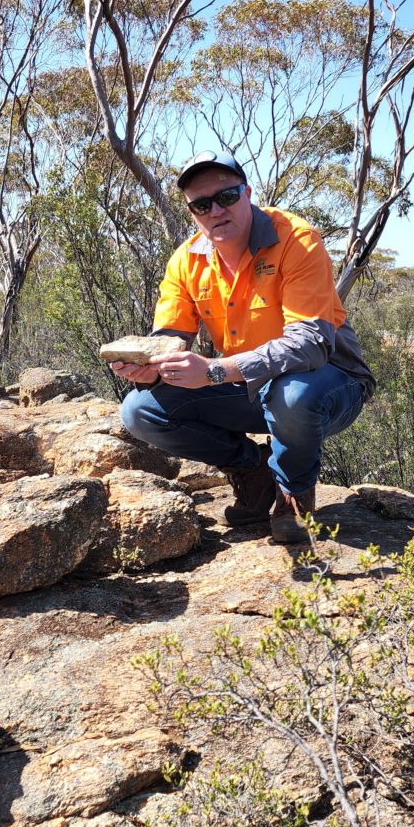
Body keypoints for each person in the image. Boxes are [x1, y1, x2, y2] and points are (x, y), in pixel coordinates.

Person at [111, 150, 376, 544]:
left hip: (327, 384)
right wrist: (150, 365)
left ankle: (294, 494)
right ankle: (255, 471)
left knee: (291, 393)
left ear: (248, 193)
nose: (216, 210)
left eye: (228, 196)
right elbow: (170, 334)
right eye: (202, 205)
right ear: (192, 213)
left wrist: (214, 371)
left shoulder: (295, 238)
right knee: (140, 411)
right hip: (250, 387)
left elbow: (310, 345)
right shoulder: (186, 261)